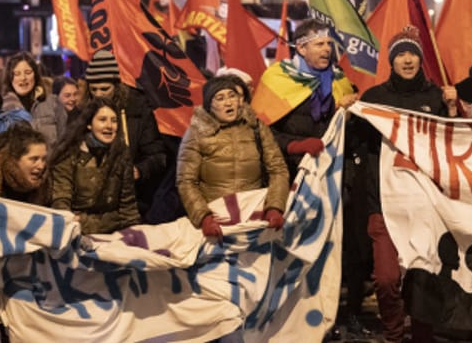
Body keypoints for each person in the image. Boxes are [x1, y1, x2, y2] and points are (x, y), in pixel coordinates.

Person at [350, 25, 458, 343]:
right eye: (401, 55)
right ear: (392, 61)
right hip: (383, 203)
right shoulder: (374, 98)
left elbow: (452, 145)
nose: (407, 60)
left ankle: (422, 336)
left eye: (412, 54)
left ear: (421, 59)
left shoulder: (435, 96)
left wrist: (452, 110)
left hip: (424, 204)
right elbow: (357, 142)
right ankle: (394, 335)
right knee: (386, 279)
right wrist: (347, 110)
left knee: (422, 277)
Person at [177, 75, 289, 237]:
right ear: (210, 105)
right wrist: (204, 217)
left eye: (232, 96)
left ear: (240, 100)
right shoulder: (196, 133)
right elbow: (186, 181)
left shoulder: (257, 127)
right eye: (220, 98)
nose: (228, 102)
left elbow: (278, 169)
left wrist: (274, 207)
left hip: (254, 215)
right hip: (217, 217)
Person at [253, 18, 357, 178]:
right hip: (290, 171)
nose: (327, 49)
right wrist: (295, 146)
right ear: (301, 48)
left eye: (329, 44)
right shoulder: (277, 78)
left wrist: (347, 113)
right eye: (319, 44)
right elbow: (261, 130)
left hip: (332, 172)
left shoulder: (340, 80)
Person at [82, 49, 172, 224]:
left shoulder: (138, 110)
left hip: (134, 200)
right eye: (94, 89)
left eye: (104, 89)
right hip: (92, 202)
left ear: (117, 86)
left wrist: (138, 170)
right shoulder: (81, 113)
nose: (99, 94)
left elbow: (158, 155)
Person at [49, 99, 141, 235]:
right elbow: (61, 204)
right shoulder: (69, 154)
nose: (109, 126)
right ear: (89, 125)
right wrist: (82, 223)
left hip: (112, 232)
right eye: (102, 120)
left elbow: (128, 206)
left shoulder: (122, 152)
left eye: (114, 121)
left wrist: (135, 234)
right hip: (77, 233)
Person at [2, 52, 67, 148]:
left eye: (28, 73)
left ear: (35, 75)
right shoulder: (2, 108)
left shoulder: (52, 102)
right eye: (17, 74)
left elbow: (64, 141)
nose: (23, 78)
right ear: (10, 77)